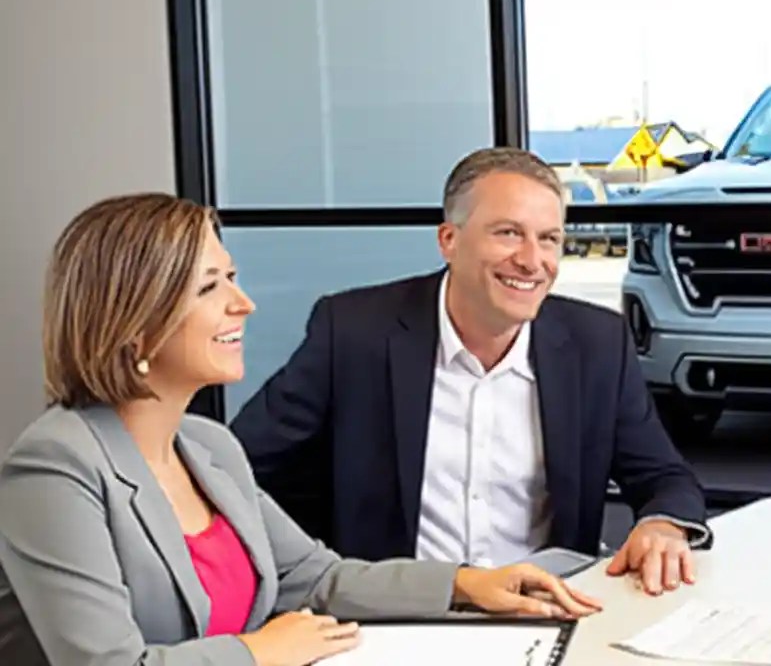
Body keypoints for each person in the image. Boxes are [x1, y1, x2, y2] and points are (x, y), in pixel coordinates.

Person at [0, 194, 601, 666]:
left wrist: (469, 584)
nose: (244, 304)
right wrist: (261, 653)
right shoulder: (55, 467)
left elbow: (316, 576)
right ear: (136, 325)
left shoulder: (209, 448)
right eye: (210, 287)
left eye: (231, 276)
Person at [229, 147, 711, 596]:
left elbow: (664, 476)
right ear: (449, 240)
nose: (531, 260)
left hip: (544, 609)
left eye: (549, 239)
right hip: (399, 616)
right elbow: (238, 467)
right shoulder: (354, 333)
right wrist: (304, 571)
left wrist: (662, 524)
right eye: (508, 233)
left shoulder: (596, 343)